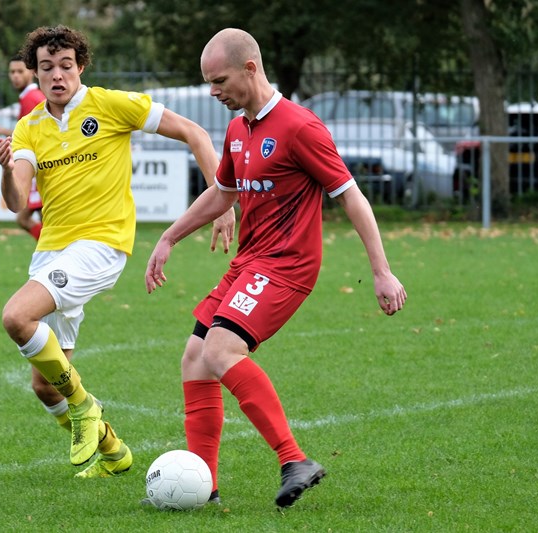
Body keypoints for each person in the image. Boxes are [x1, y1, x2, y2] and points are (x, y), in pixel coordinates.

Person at [144, 28, 407, 508]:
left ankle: (295, 459)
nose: (213, 91)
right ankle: (205, 488)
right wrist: (169, 236)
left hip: (287, 266)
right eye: (207, 82)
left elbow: (351, 195)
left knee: (222, 348)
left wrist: (382, 271)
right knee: (195, 356)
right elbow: (223, 193)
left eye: (219, 80)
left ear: (250, 68)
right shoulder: (238, 128)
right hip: (251, 261)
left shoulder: (299, 126)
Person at [0, 25, 234, 479]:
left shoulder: (110, 105)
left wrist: (224, 199)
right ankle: (112, 449)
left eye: (66, 66)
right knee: (45, 385)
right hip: (52, 252)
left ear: (80, 67)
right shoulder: (29, 128)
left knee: (15, 317)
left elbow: (195, 133)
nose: (57, 75)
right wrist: (7, 170)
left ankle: (85, 408)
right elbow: (18, 201)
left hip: (102, 245)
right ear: (35, 74)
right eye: (47, 68)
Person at [0, 54, 47, 240]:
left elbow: (35, 133)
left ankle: (52, 253)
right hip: (37, 169)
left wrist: (3, 130)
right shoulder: (29, 97)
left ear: (31, 72)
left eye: (20, 71)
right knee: (28, 219)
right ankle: (49, 252)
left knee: (32, 219)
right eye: (12, 72)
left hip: (40, 170)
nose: (15, 75)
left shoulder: (32, 98)